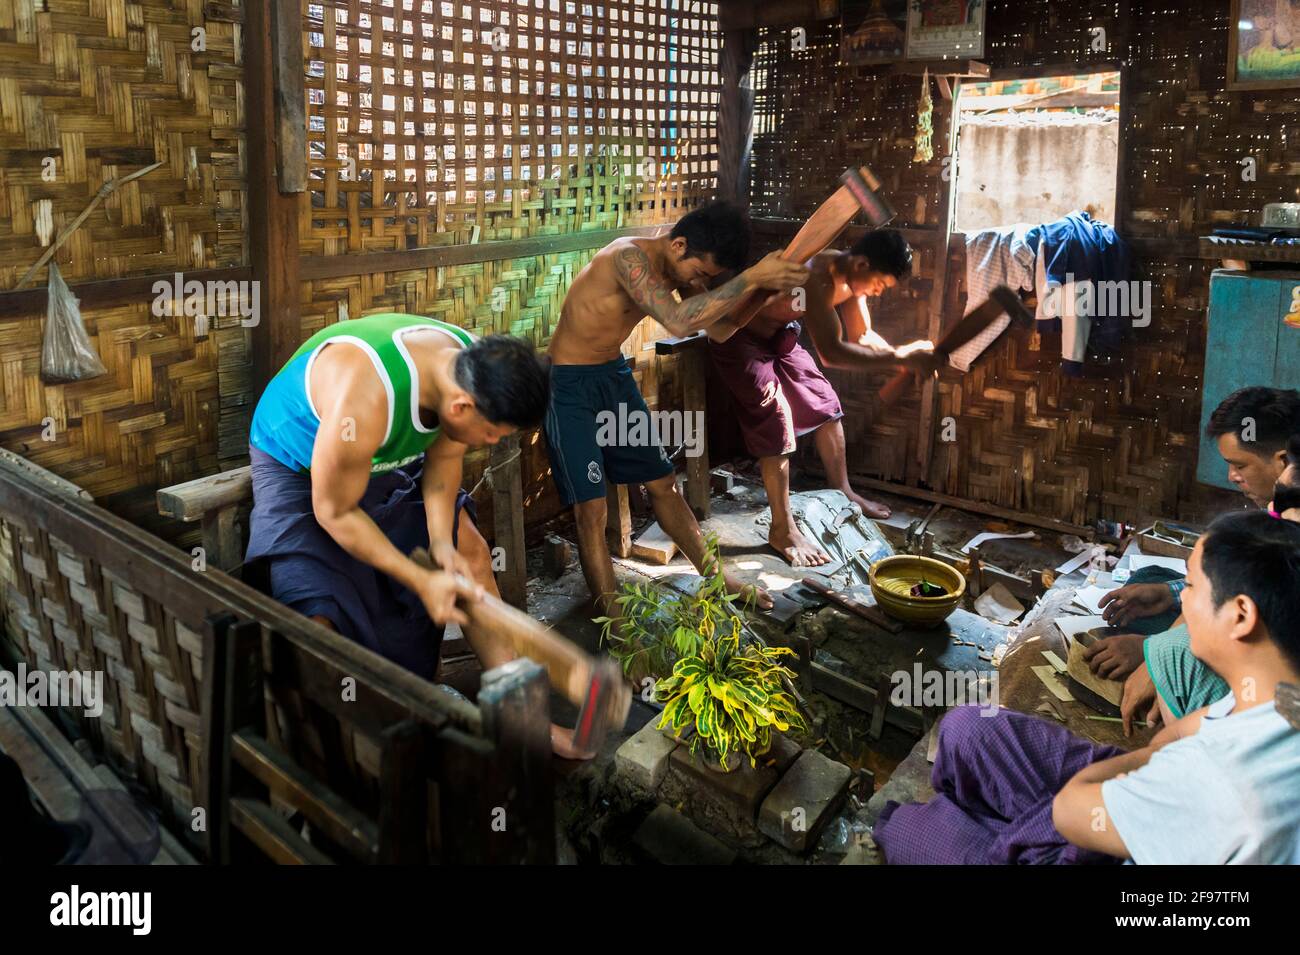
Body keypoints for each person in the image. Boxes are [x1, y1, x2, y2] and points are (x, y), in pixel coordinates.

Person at [245, 313, 590, 758]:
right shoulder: (366, 395)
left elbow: (443, 462)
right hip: (301, 463)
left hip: (380, 456)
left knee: (472, 557)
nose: (487, 444)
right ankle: (342, 766)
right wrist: (419, 577)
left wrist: (442, 546)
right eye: (490, 434)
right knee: (316, 613)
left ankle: (524, 722)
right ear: (461, 407)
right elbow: (332, 512)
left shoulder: (467, 363)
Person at [874, 511, 1300, 865]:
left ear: (1240, 615)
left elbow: (1069, 811)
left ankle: (984, 827)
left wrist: (1151, 758)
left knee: (909, 830)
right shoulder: (1274, 695)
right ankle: (991, 819)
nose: (1182, 603)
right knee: (966, 729)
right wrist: (1159, 753)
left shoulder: (1220, 779)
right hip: (1134, 800)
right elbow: (1198, 728)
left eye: (1189, 587)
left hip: (1102, 838)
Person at [544, 201, 810, 617]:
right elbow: (680, 321)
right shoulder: (626, 257)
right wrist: (754, 276)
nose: (700, 282)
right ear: (679, 244)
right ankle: (614, 624)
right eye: (700, 273)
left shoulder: (678, 268)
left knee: (663, 482)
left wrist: (760, 292)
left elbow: (721, 329)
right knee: (591, 510)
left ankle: (716, 577)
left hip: (611, 378)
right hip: (570, 384)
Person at [708, 230, 941, 566]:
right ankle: (782, 530)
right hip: (737, 338)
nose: (878, 292)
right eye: (879, 284)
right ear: (862, 263)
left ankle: (844, 491)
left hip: (779, 335)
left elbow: (862, 335)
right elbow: (832, 352)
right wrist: (904, 359)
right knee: (776, 419)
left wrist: (901, 353)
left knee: (824, 403)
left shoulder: (850, 276)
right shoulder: (815, 277)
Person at [1085, 386, 1300, 687]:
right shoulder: (1282, 507)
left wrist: (1154, 653)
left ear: (1282, 462)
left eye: (1239, 465)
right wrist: (1167, 593)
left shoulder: (1290, 523)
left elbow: (1254, 609)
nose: (1232, 477)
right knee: (1150, 577)